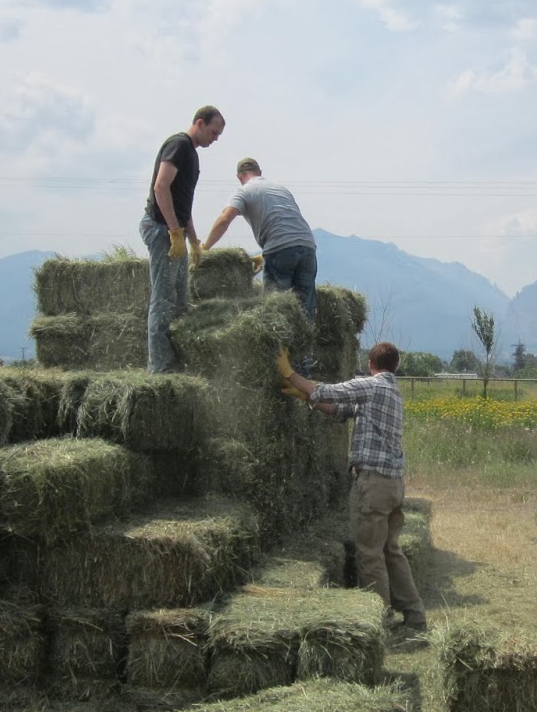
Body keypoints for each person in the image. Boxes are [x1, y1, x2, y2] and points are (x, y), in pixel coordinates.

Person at [278, 341, 429, 638]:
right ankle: (415, 616)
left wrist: (290, 374)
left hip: (373, 484)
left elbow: (329, 391)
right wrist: (305, 397)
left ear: (371, 365)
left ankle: (377, 622)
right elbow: (339, 408)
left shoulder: (371, 387)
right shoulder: (391, 392)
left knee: (369, 555)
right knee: (390, 551)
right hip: (392, 484)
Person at [201, 158, 320, 369]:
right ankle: (303, 370)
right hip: (308, 246)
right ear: (259, 171)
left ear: (239, 177)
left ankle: (277, 369)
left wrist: (205, 248)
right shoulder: (280, 188)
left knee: (276, 310)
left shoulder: (244, 191)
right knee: (305, 312)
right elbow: (286, 222)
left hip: (280, 248)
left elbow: (225, 219)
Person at [140, 105, 225, 372]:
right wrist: (173, 232)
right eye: (214, 132)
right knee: (163, 299)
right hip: (159, 228)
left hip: (174, 230)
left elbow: (183, 203)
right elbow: (161, 186)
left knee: (180, 300)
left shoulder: (192, 156)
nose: (216, 139)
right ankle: (160, 369)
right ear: (199, 123)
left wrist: (193, 240)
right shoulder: (178, 145)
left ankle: (176, 362)